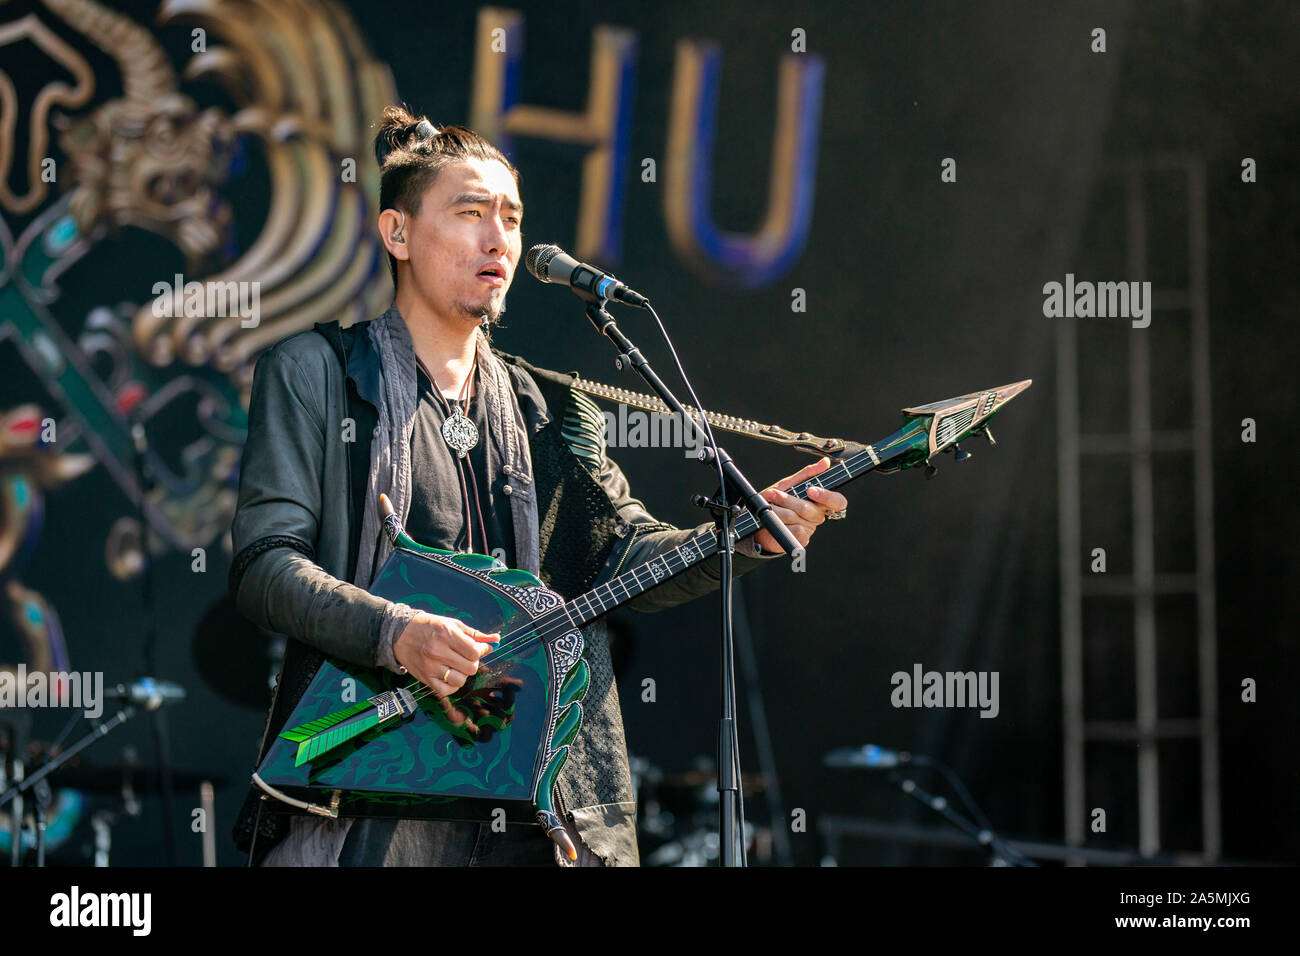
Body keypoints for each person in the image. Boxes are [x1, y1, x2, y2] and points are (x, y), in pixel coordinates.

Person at [227, 105, 849, 867]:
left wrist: (744, 537)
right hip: (367, 795)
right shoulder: (315, 372)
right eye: (470, 213)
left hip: (528, 803)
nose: (499, 239)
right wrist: (397, 632)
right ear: (397, 234)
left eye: (512, 219)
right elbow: (266, 567)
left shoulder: (550, 406)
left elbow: (626, 559)